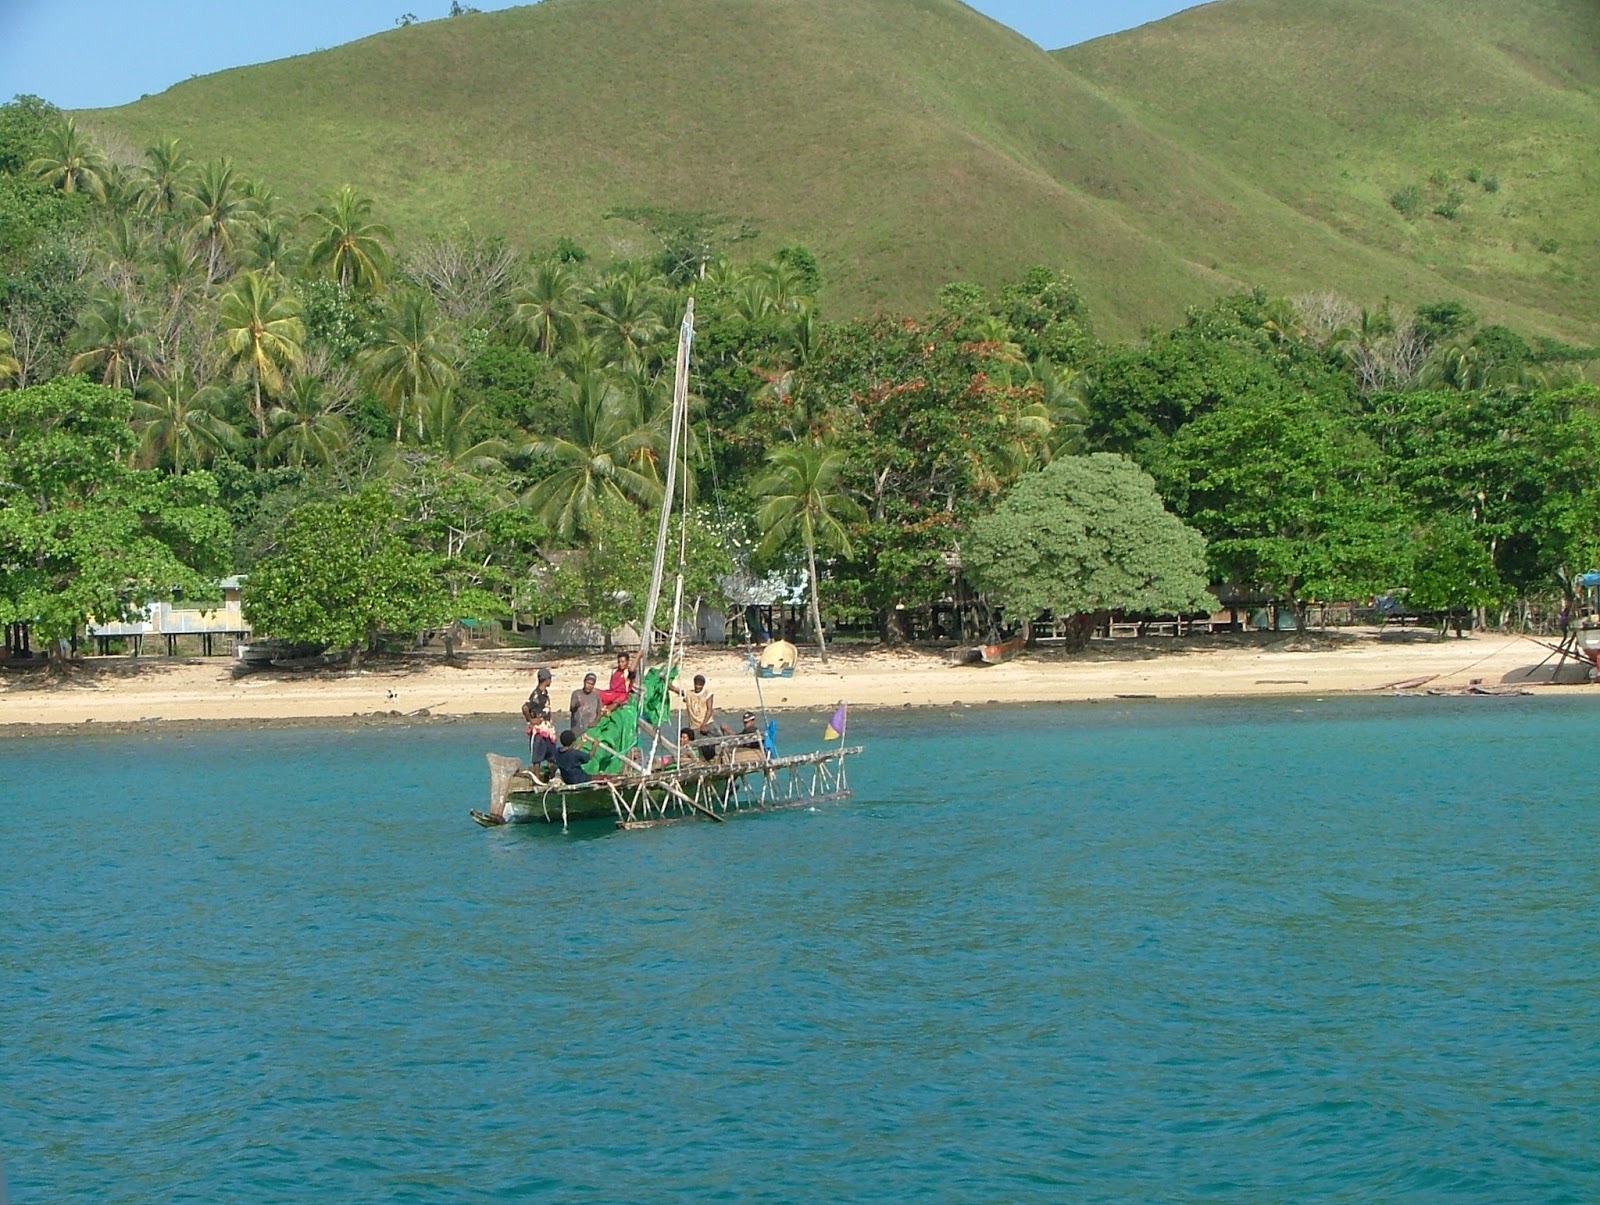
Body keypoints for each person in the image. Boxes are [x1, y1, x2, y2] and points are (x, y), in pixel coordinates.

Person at [670, 673, 725, 738]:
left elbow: (709, 710)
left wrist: (704, 724)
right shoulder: (688, 693)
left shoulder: (707, 694)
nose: (698, 686)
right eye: (696, 684)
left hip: (708, 723)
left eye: (700, 685)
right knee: (698, 743)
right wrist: (665, 681)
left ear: (703, 685)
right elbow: (674, 689)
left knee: (720, 738)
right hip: (694, 726)